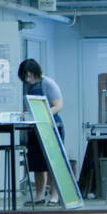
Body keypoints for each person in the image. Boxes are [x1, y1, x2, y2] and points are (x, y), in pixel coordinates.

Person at [18, 59, 65, 206]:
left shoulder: (48, 83)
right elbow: (28, 106)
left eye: (29, 75)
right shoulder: (27, 86)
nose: (27, 78)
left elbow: (58, 105)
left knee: (53, 162)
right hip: (35, 128)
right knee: (37, 163)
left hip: (51, 125)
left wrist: (43, 114)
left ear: (34, 72)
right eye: (24, 76)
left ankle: (55, 195)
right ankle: (39, 195)